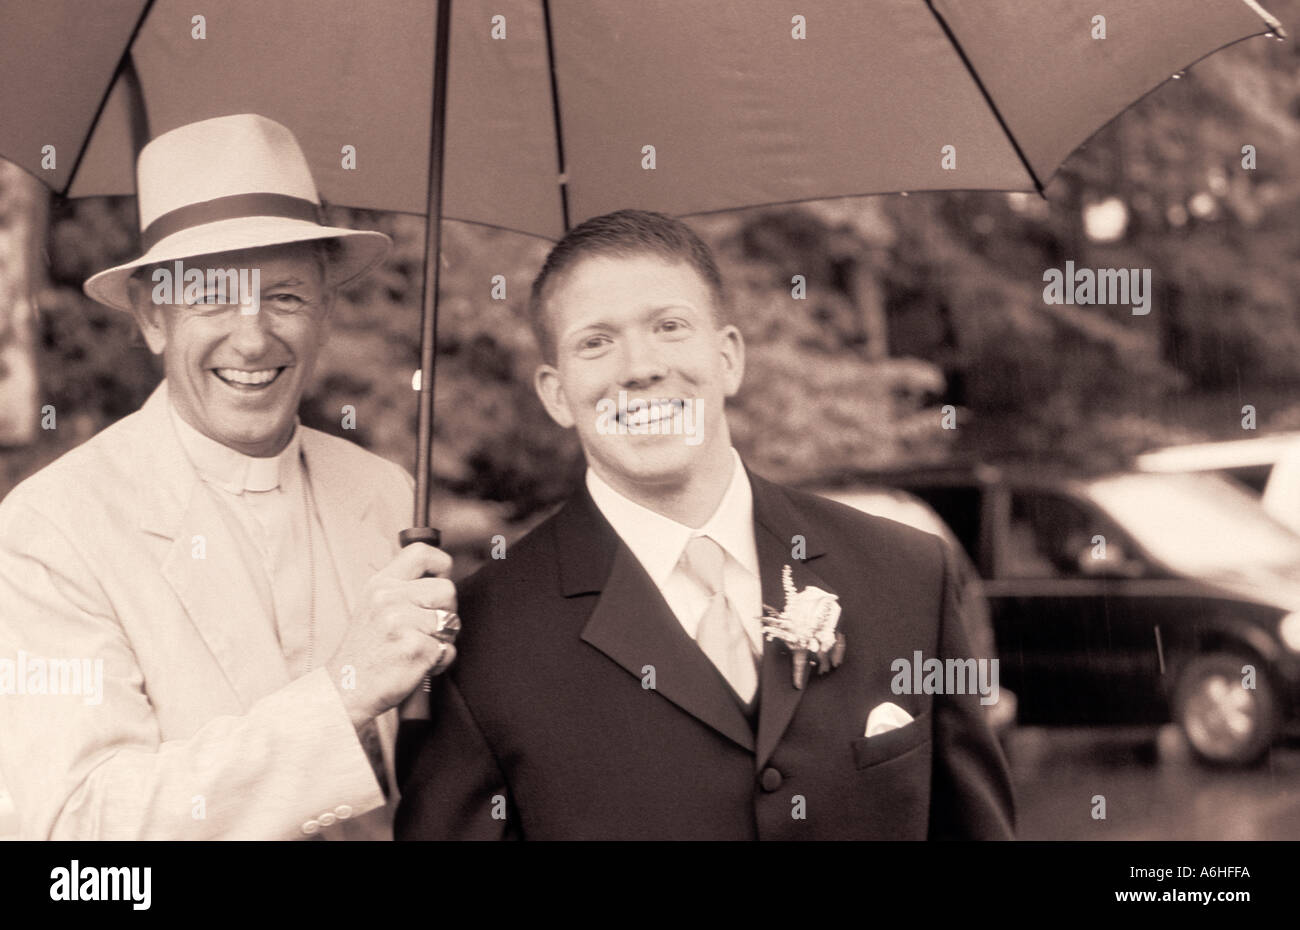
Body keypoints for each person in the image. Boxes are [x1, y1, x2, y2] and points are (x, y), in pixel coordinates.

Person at [395, 209, 1015, 840]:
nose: (639, 367)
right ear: (556, 393)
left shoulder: (906, 573)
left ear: (728, 359)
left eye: (669, 326)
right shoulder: (479, 645)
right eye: (595, 341)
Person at [0, 114, 458, 840]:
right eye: (213, 297)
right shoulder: (51, 529)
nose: (252, 338)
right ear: (155, 317)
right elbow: (73, 841)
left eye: (284, 297)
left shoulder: (389, 496)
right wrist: (339, 697)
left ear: (326, 313)